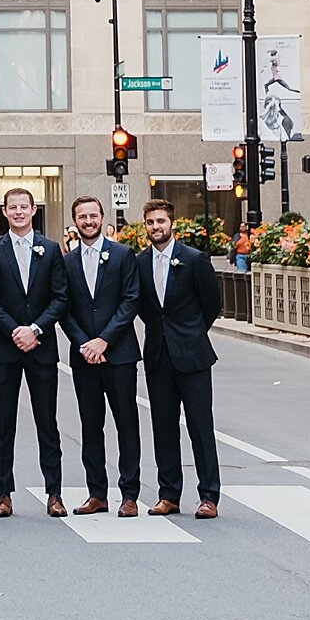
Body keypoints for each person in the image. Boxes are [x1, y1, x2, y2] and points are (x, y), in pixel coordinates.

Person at [0, 187, 69, 517]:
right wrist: (14, 329)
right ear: (4, 212)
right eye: (12, 207)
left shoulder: (50, 249)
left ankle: (54, 493)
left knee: (48, 422)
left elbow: (60, 297)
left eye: (23, 207)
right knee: (4, 422)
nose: (18, 212)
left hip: (42, 347)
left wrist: (36, 329)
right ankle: (3, 493)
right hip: (6, 347)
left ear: (33, 210)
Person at [135, 198, 223, 517]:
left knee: (200, 426)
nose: (156, 227)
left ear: (172, 224)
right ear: (144, 226)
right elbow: (143, 307)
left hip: (193, 356)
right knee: (164, 427)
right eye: (150, 222)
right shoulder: (140, 262)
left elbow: (212, 304)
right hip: (158, 356)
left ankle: (209, 496)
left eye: (161, 221)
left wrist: (191, 333)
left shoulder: (194, 259)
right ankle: (169, 494)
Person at [60, 193, 142, 516]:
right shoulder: (66, 262)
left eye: (93, 216)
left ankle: (130, 493)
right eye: (82, 217)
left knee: (126, 423)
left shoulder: (123, 255)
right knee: (90, 425)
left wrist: (104, 340)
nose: (88, 221)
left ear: (102, 219)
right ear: (75, 221)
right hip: (84, 358)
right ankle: (97, 493)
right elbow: (63, 308)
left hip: (118, 355)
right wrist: (85, 343)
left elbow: (131, 300)